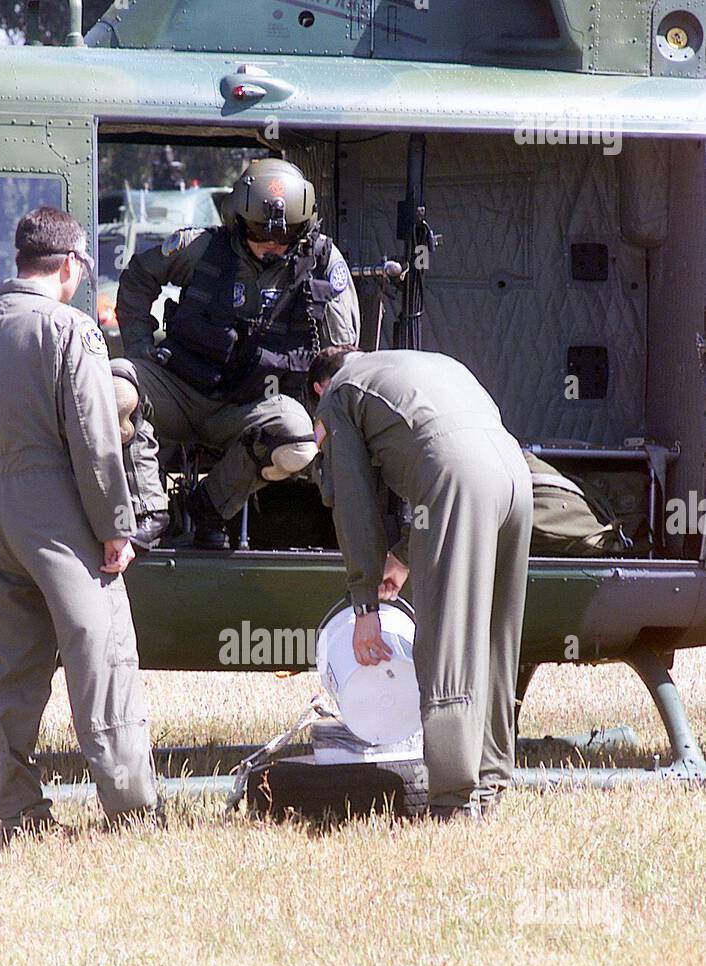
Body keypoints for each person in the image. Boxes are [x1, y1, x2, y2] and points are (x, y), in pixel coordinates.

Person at [0, 206, 158, 839]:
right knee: (100, 657)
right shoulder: (70, 330)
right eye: (84, 267)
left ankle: (18, 812)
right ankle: (130, 809)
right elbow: (93, 438)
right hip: (56, 511)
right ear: (67, 265)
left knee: (2, 669)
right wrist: (116, 523)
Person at [309, 345, 533, 821]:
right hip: (516, 477)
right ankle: (490, 782)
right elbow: (441, 444)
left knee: (447, 641)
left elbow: (354, 504)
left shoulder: (339, 396)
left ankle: (451, 801)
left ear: (317, 389)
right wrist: (404, 557)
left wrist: (364, 605)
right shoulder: (425, 364)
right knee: (495, 638)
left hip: (459, 481)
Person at [116, 157, 360, 548]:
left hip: (251, 407)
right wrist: (141, 349)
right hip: (179, 390)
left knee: (299, 441)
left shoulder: (323, 265)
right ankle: (150, 510)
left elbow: (341, 358)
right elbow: (137, 279)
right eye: (260, 236)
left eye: (282, 240)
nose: (270, 246)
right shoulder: (200, 248)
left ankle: (209, 507)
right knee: (115, 388)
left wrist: (326, 421)